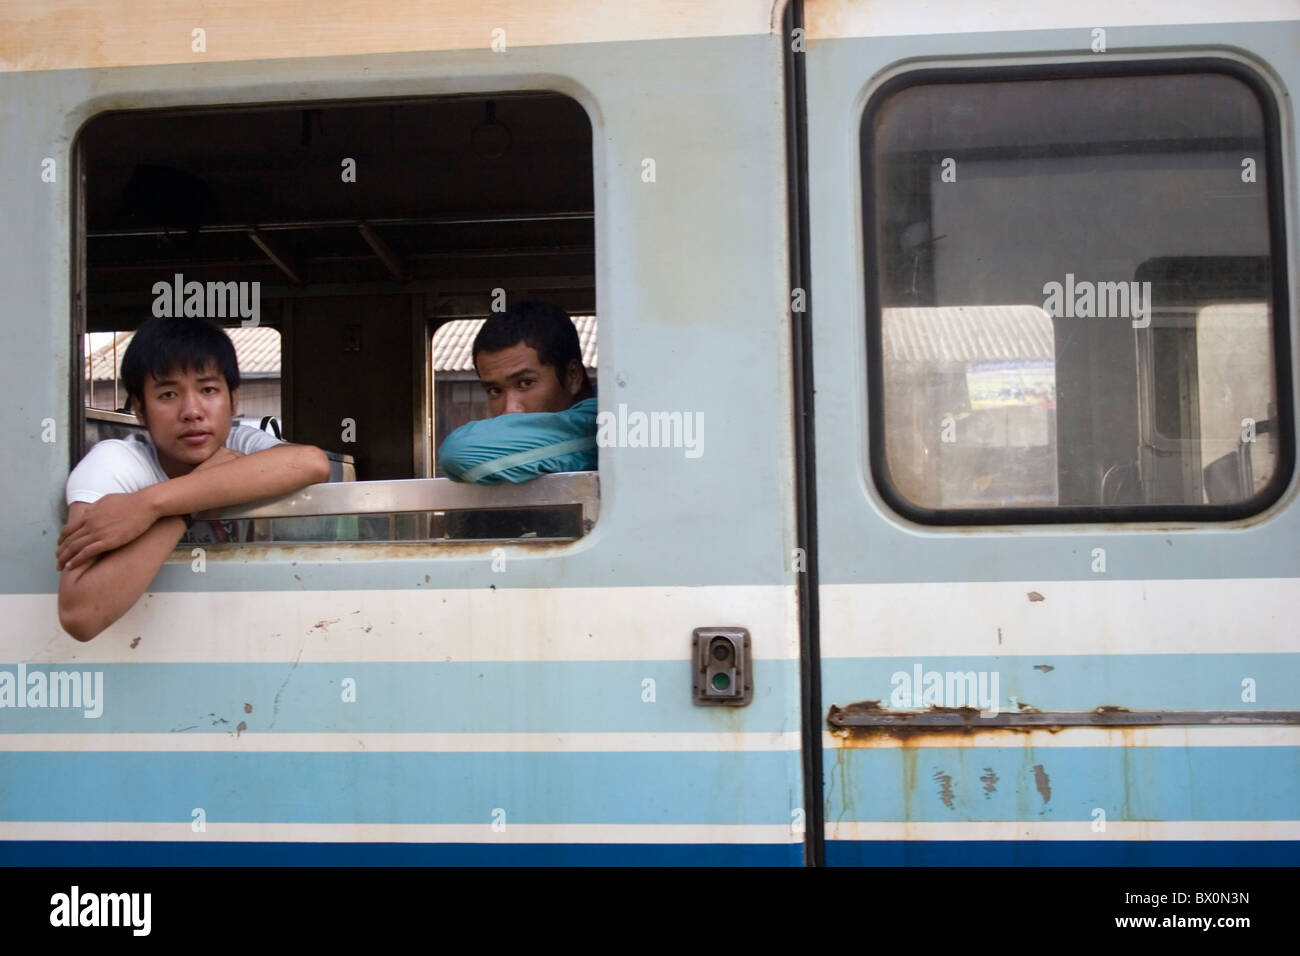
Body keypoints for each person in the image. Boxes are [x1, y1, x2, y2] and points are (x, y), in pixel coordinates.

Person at [57, 317, 330, 642]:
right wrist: (184, 511)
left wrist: (149, 504)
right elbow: (80, 615)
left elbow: (311, 462)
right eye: (169, 394)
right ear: (140, 410)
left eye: (208, 390)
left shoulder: (240, 442)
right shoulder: (113, 464)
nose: (192, 411)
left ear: (233, 400)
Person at [438, 300, 597, 483]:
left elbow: (460, 451)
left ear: (572, 376)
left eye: (525, 383)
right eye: (495, 390)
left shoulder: (598, 426)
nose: (510, 409)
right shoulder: (513, 455)